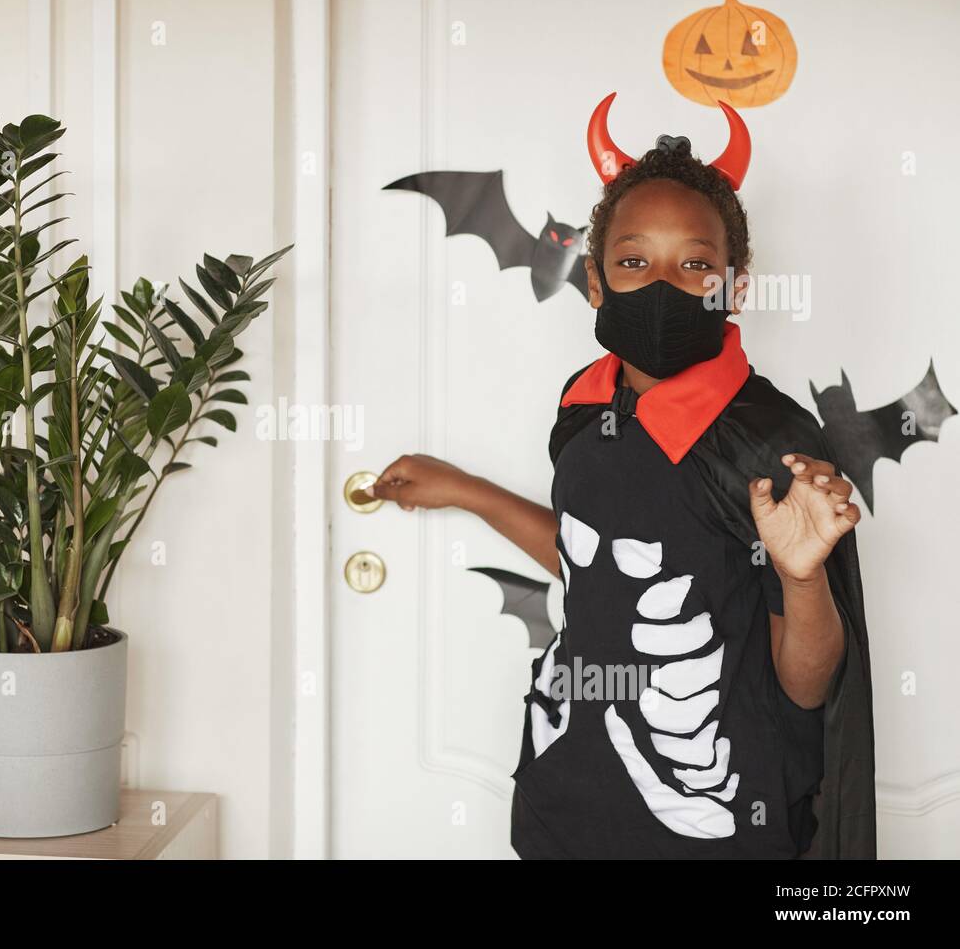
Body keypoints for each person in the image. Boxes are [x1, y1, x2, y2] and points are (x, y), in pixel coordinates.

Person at [366, 95, 876, 859]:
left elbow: (806, 687)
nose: (664, 284)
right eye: (634, 261)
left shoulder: (770, 446)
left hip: (722, 823)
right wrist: (466, 489)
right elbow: (594, 559)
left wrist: (803, 579)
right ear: (596, 283)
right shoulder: (584, 402)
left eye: (695, 264)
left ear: (734, 286)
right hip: (564, 790)